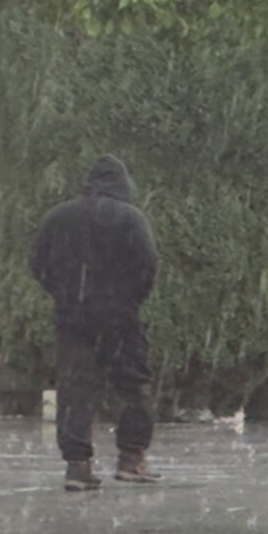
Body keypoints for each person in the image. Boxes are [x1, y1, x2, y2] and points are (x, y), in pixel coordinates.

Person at [30, 154, 161, 491]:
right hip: (120, 318)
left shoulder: (59, 217)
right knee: (134, 386)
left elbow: (37, 263)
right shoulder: (131, 218)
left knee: (76, 389)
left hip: (73, 317)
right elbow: (147, 265)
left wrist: (64, 293)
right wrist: (127, 300)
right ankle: (131, 458)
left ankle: (78, 465)